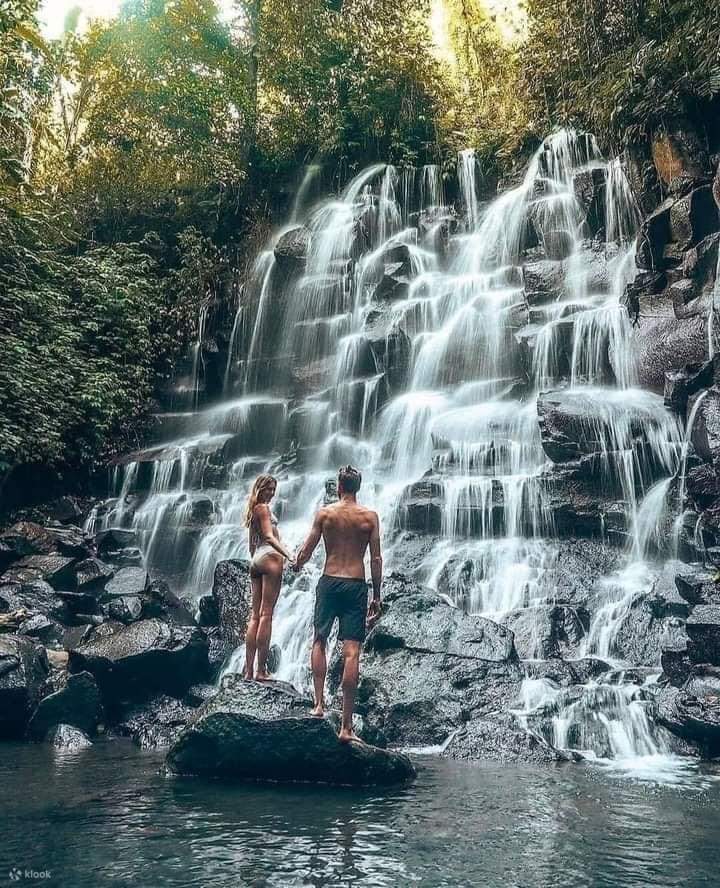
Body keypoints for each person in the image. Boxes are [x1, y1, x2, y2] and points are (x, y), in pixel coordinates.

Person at [293, 465, 382, 742]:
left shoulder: (325, 514)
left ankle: (318, 705)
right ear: (358, 488)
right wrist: (376, 595)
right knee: (352, 653)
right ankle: (346, 727)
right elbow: (376, 559)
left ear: (339, 487)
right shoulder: (369, 517)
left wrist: (297, 562)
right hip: (356, 585)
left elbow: (307, 548)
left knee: (319, 639)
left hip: (329, 581)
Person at [244, 474, 294, 681]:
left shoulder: (253, 510)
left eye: (274, 489)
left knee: (255, 617)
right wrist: (288, 555)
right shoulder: (263, 508)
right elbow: (268, 536)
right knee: (266, 615)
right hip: (269, 558)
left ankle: (248, 672)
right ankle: (261, 671)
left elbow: (250, 546)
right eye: (268, 489)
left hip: (256, 560)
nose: (272, 493)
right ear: (260, 488)